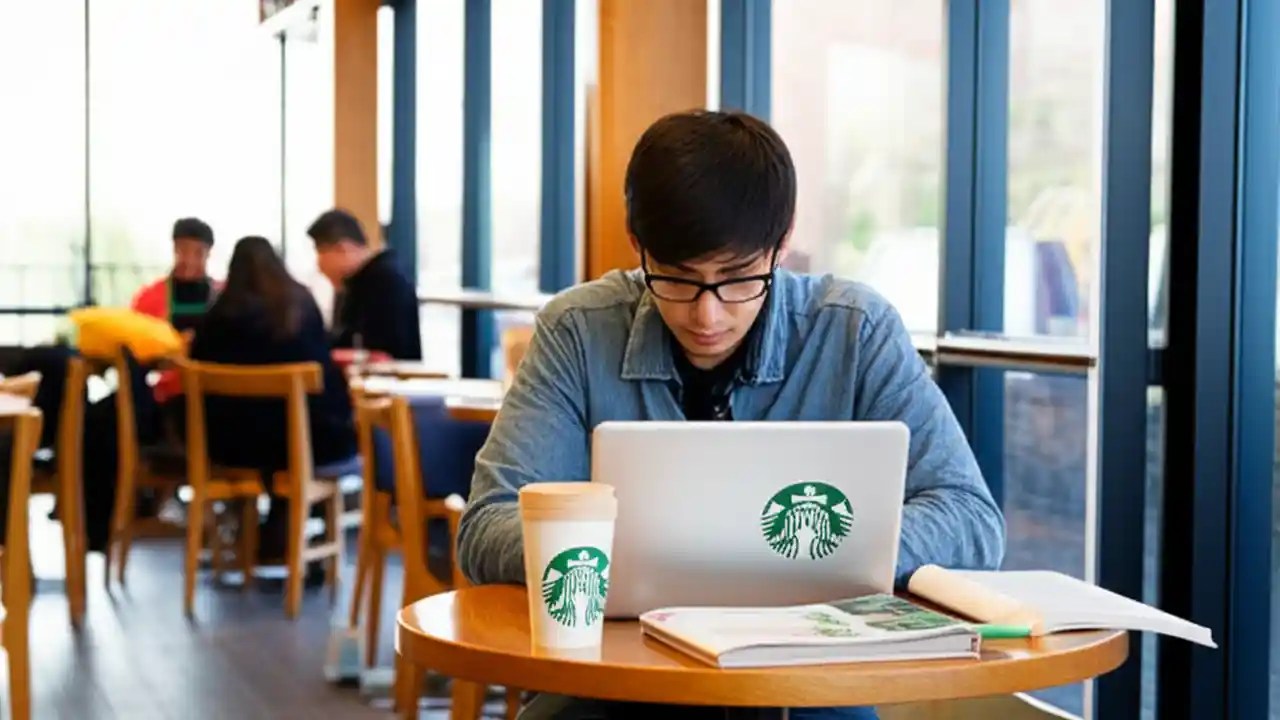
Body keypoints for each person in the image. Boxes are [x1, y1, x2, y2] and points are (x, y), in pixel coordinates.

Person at [457, 111, 1006, 720]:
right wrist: (626, 551)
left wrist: (827, 551)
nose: (707, 316)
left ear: (782, 243)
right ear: (638, 247)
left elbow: (971, 519)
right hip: (611, 684)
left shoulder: (854, 330)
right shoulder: (578, 332)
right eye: (678, 279)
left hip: (806, 687)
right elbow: (486, 525)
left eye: (739, 278)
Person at [189, 236, 359, 561]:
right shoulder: (300, 307)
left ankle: (252, 530)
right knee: (315, 429)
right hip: (301, 448)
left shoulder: (216, 316)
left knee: (253, 423)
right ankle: (297, 537)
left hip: (230, 448)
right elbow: (326, 385)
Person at [307, 209, 422, 360]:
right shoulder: (354, 282)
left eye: (321, 252)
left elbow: (384, 351)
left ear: (343, 248)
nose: (319, 265)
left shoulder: (385, 280)